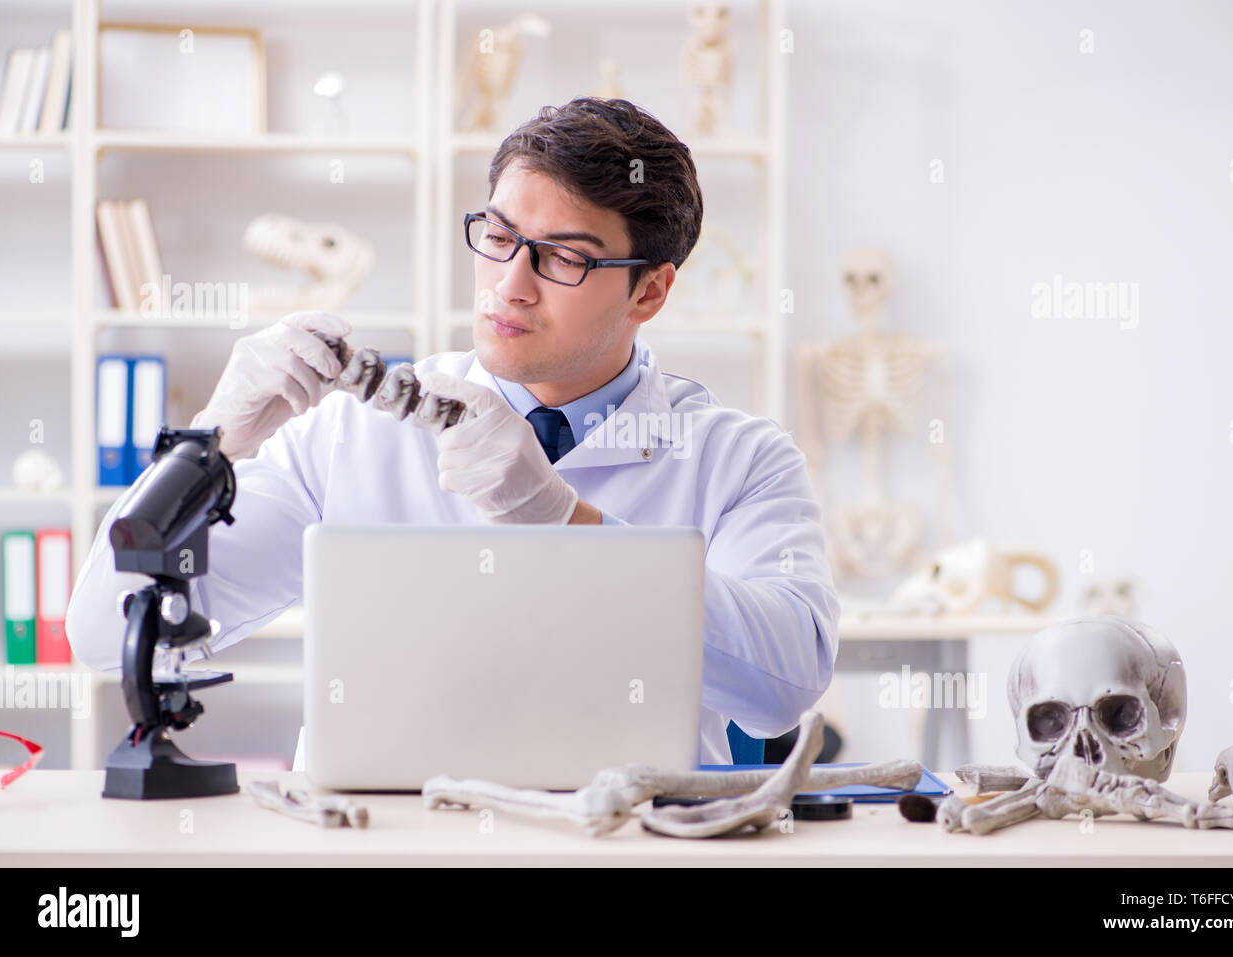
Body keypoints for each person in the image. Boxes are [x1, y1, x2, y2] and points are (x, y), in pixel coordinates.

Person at [66, 97, 840, 764]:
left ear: (650, 291)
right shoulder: (352, 433)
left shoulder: (739, 459)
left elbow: (787, 684)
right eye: (498, 236)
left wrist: (568, 524)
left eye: (563, 258)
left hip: (621, 844)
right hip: (372, 846)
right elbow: (107, 630)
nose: (510, 284)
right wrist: (208, 447)